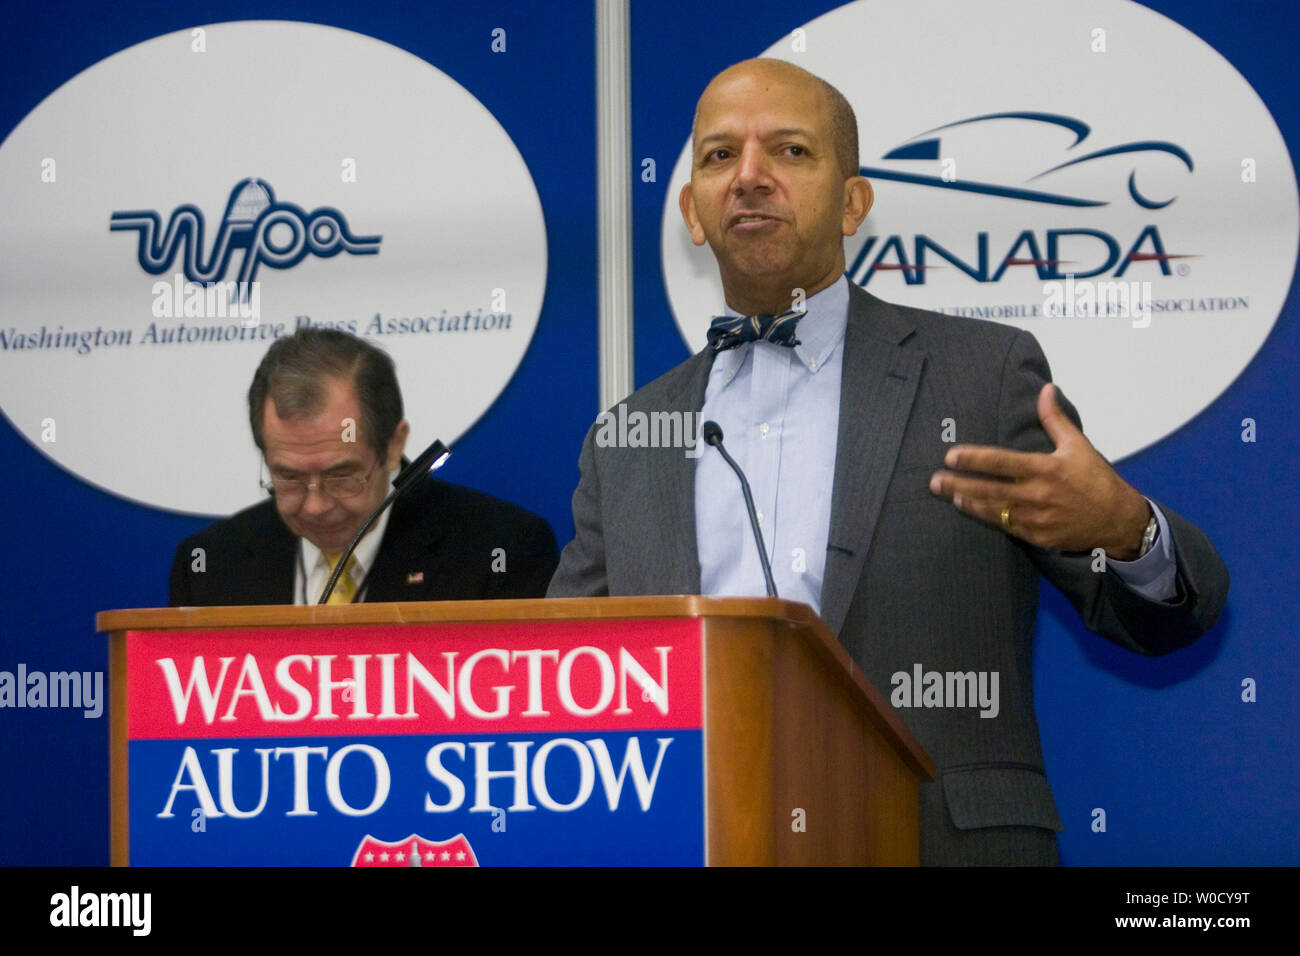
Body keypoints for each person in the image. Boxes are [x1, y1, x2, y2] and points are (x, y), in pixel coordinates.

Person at [547, 58, 1229, 865]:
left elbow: (1168, 618)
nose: (751, 177)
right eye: (719, 155)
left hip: (937, 841)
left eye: (791, 151)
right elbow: (561, 669)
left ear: (853, 201)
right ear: (693, 212)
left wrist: (1125, 531)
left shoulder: (981, 374)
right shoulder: (630, 435)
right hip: (696, 841)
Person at [170, 328, 557, 606]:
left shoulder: (498, 552)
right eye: (288, 477)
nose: (316, 505)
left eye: (341, 476)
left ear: (393, 446)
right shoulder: (211, 567)